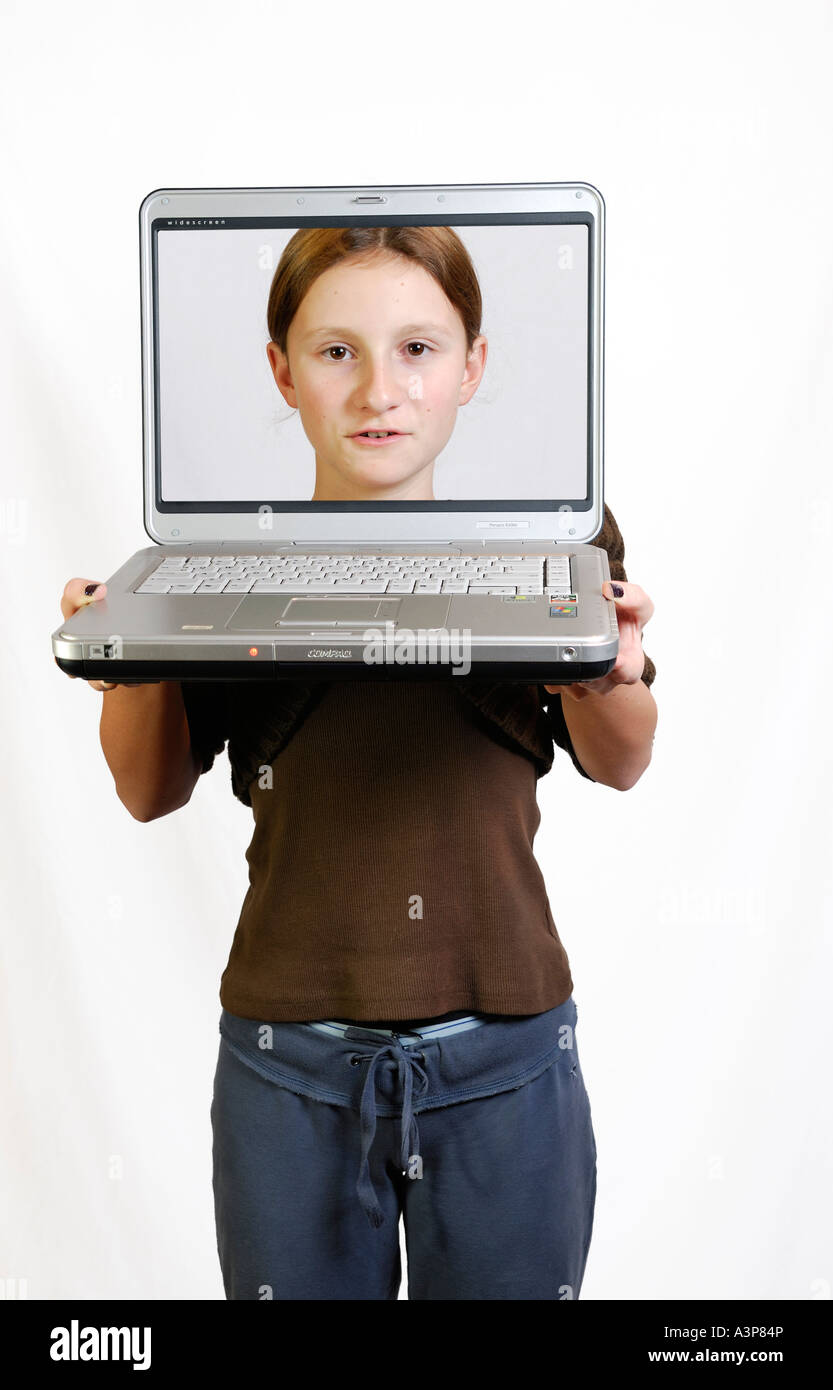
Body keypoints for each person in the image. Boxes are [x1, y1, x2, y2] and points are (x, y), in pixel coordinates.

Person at [57, 225, 657, 1301]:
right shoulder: (211, 561)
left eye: (418, 349)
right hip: (289, 1064)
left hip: (503, 1054)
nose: (379, 387)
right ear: (282, 368)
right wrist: (130, 651)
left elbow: (621, 763)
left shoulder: (553, 541)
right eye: (336, 351)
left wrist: (604, 672)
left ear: (472, 363)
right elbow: (147, 791)